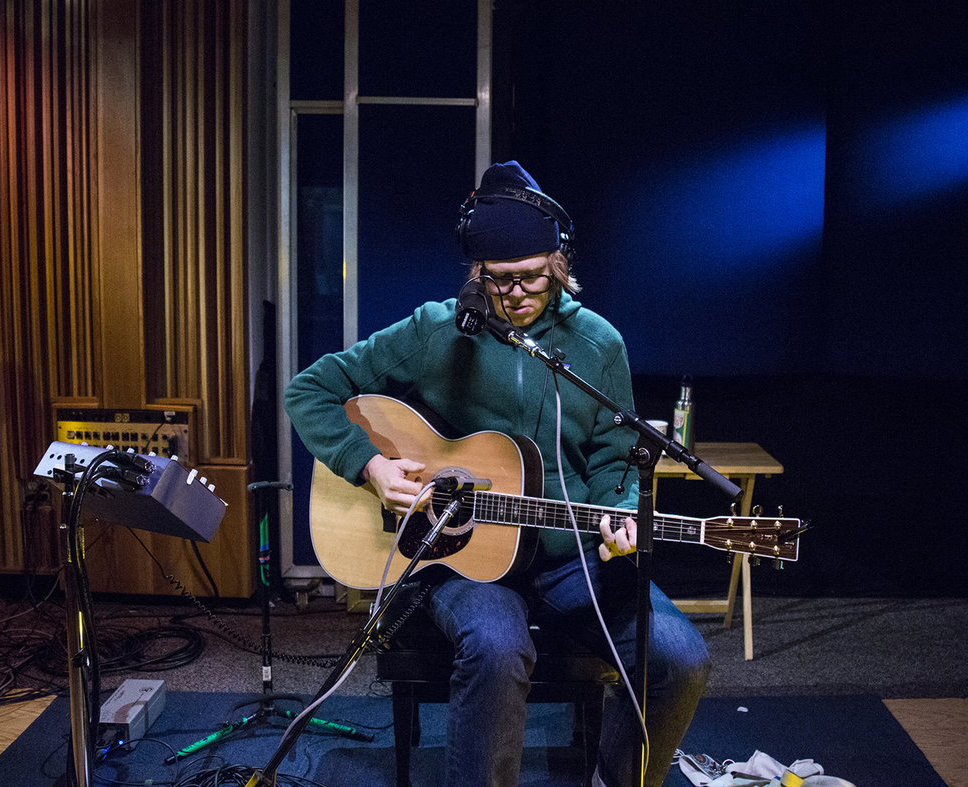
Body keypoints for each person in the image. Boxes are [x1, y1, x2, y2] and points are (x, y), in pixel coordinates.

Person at [284, 161, 710, 787]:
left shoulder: (598, 344)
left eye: (532, 278)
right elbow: (310, 389)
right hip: (462, 555)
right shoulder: (436, 331)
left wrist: (618, 508)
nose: (516, 295)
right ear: (477, 274)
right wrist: (370, 464)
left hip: (569, 557)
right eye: (499, 280)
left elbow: (617, 456)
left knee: (681, 659)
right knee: (496, 647)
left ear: (559, 263)